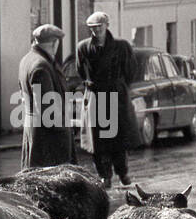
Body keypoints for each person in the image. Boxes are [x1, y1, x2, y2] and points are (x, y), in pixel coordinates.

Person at [77, 11, 138, 188]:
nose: (96, 30)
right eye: (92, 28)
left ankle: (123, 172)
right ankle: (105, 175)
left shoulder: (122, 47)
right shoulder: (84, 48)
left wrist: (119, 87)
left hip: (116, 96)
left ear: (107, 25)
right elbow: (81, 70)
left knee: (118, 139)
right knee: (98, 141)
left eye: (99, 26)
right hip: (96, 96)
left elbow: (130, 71)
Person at [17, 24, 72, 168]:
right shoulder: (41, 65)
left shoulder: (27, 60)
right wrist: (64, 132)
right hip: (48, 138)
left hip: (34, 131)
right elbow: (47, 110)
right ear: (54, 43)